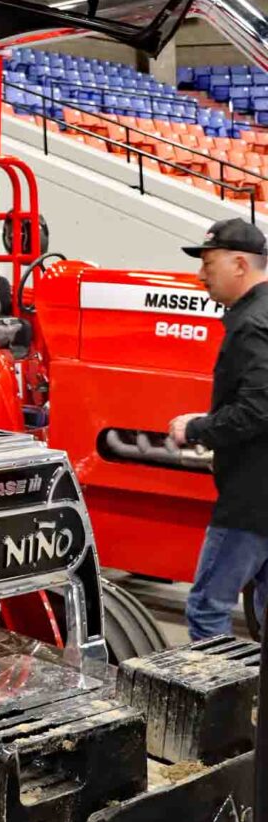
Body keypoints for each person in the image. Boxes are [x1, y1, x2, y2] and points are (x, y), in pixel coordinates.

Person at [168, 217, 268, 639]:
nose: (200, 274)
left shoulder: (252, 324)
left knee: (208, 608)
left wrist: (197, 429)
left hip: (251, 497)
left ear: (240, 264)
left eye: (209, 263)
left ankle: (218, 707)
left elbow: (259, 407)